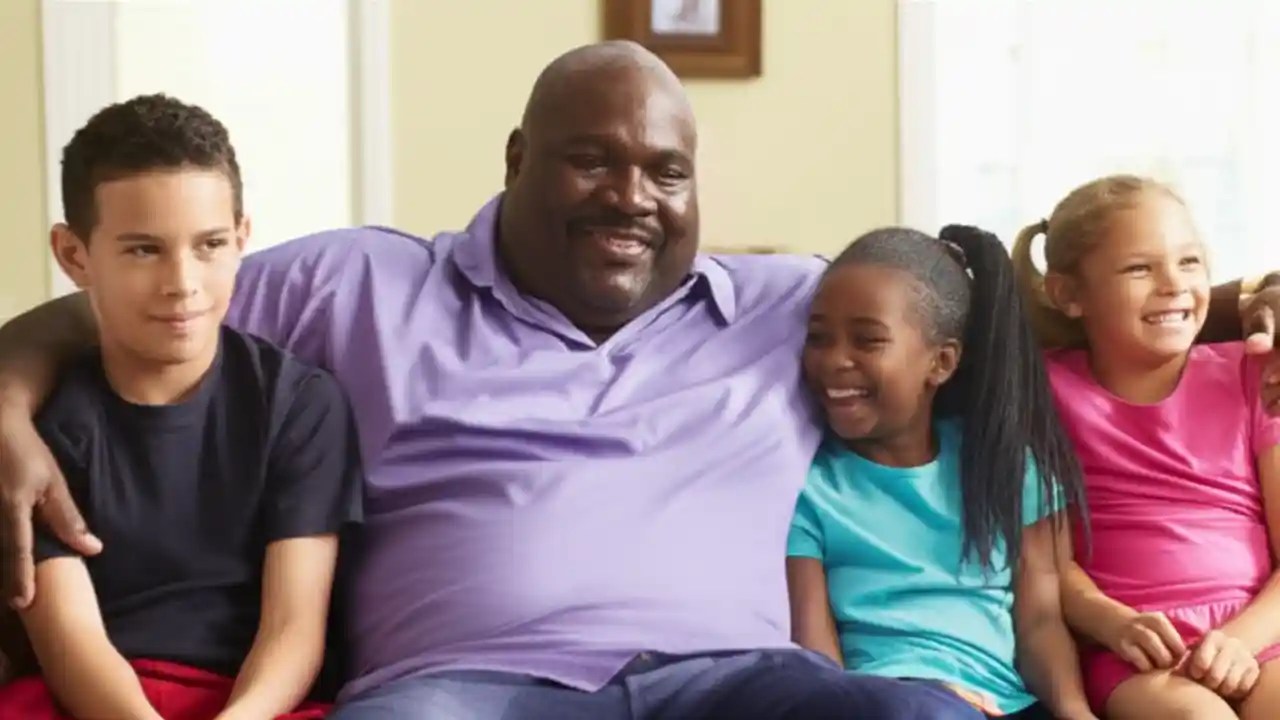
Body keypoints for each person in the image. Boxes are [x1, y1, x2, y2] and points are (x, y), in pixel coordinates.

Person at [0, 42, 1277, 719]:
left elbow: (989, 311)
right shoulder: (359, 285)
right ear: (513, 158)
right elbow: (143, 299)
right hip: (465, 689)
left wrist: (1230, 307)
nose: (631, 196)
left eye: (664, 171)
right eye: (590, 162)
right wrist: (7, 405)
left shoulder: (789, 307)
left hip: (732, 678)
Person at [0, 94, 362, 720]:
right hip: (97, 700)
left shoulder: (300, 405)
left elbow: (293, 630)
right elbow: (71, 644)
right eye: (144, 249)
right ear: (74, 255)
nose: (182, 282)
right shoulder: (38, 431)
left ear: (242, 238)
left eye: (210, 244)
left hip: (260, 700)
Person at [787, 225, 1093, 719]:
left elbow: (1039, 623)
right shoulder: (808, 488)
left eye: (867, 340)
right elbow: (816, 658)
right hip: (884, 703)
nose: (833, 361)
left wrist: (1077, 713)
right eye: (819, 337)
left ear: (942, 362)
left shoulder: (1005, 468)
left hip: (1006, 705)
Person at [1012, 174, 1280, 719]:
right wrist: (1110, 621)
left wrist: (1239, 641)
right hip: (1136, 651)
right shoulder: (1042, 392)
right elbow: (1047, 564)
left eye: (1189, 262)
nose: (1173, 284)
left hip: (1257, 634)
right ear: (1069, 294)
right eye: (1139, 268)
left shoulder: (1254, 375)